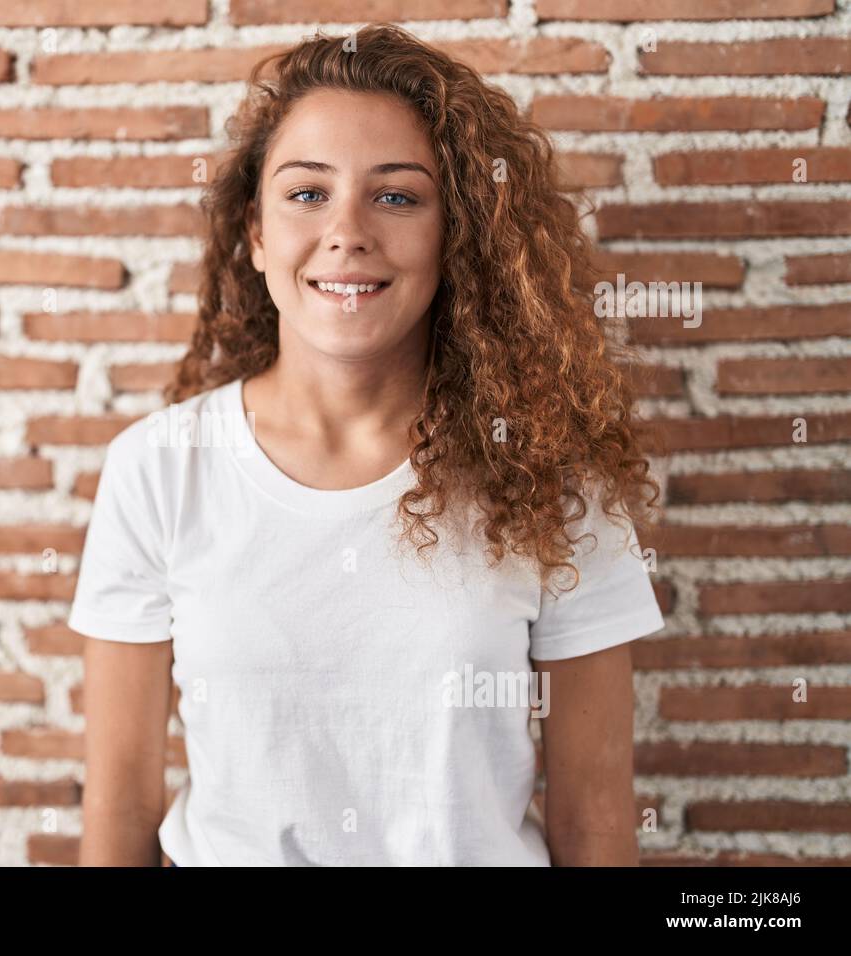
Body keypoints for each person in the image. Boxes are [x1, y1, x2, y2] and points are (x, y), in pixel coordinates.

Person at [72, 23, 666, 867]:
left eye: (396, 196)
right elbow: (123, 805)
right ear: (256, 233)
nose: (347, 231)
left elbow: (596, 816)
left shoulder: (550, 476)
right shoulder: (157, 470)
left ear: (453, 235)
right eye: (308, 194)